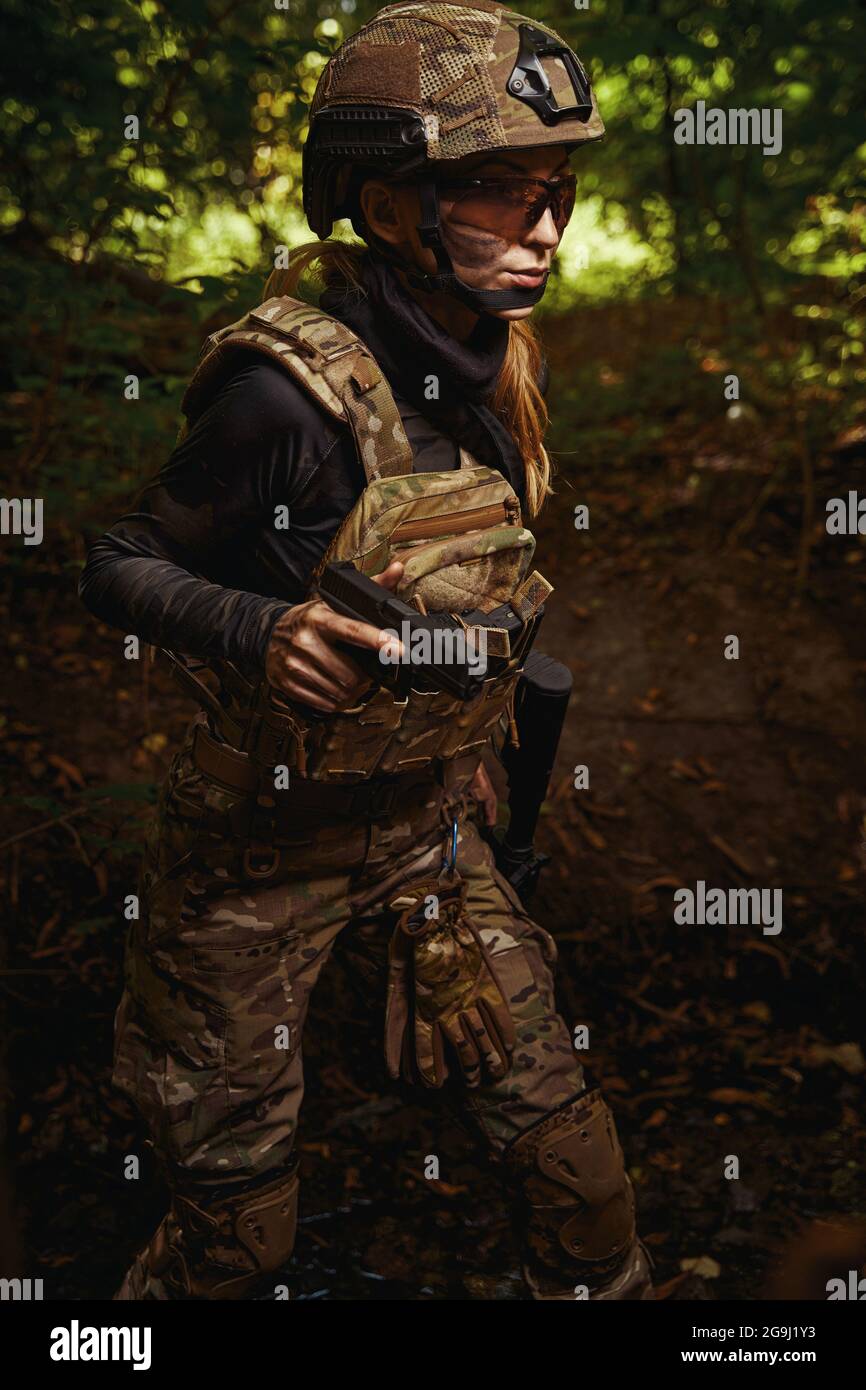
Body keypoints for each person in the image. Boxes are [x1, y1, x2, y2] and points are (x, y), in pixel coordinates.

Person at [79, 0, 653, 1302]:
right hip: (248, 865)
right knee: (236, 1243)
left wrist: (478, 776)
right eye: (506, 193)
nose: (547, 227)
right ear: (391, 208)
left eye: (555, 193)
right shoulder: (282, 395)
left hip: (426, 839)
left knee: (576, 1176)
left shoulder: (493, 361)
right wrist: (261, 626)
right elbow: (115, 561)